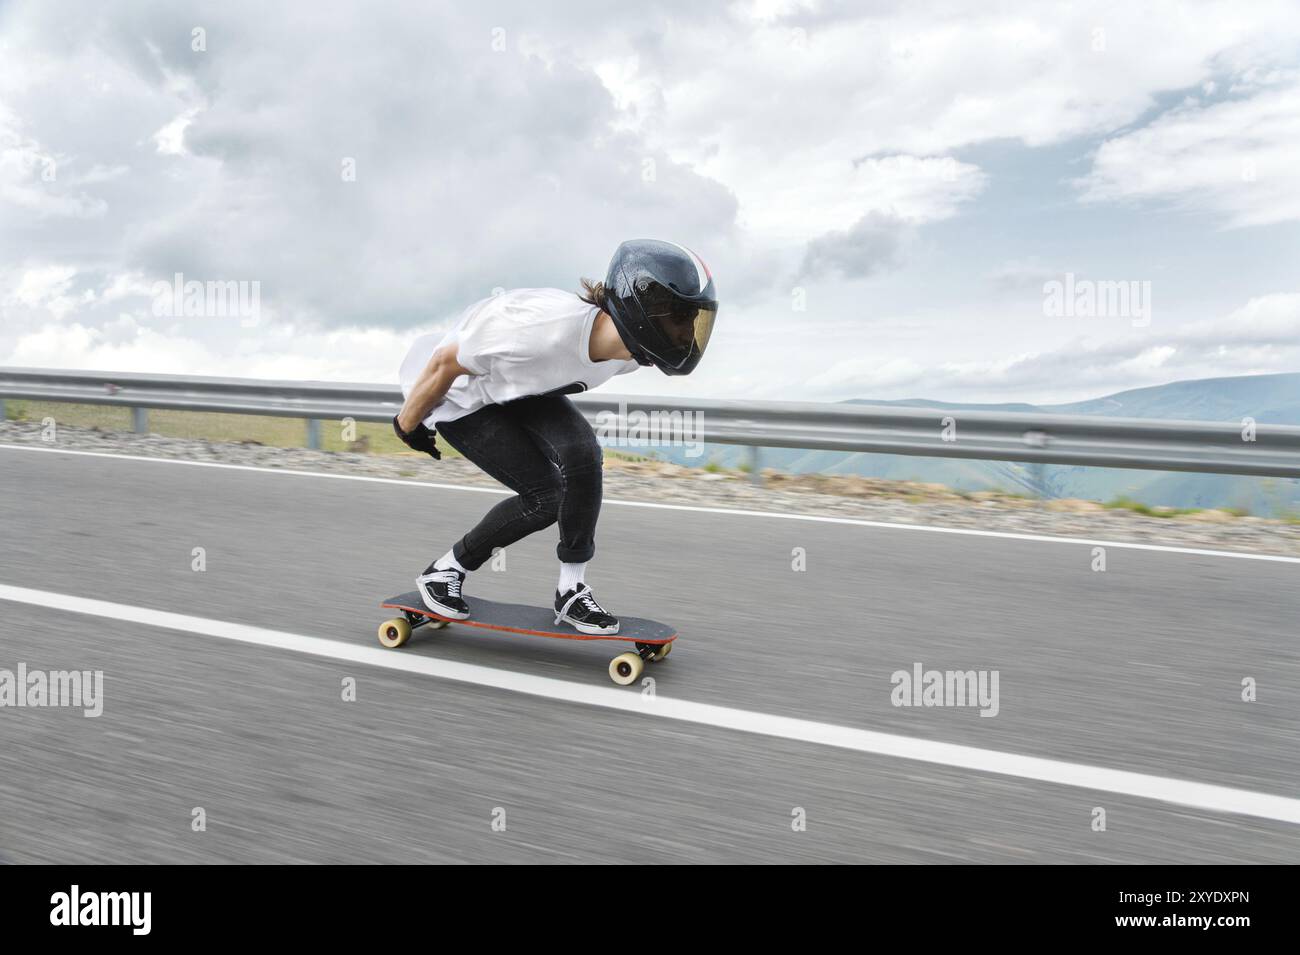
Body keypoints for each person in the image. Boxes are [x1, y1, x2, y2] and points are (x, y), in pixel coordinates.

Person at [393, 239, 717, 634]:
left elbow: (546, 377)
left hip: (516, 388)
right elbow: (444, 362)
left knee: (582, 454)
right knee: (546, 497)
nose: (687, 334)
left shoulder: (628, 358)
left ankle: (571, 591)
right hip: (460, 395)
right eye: (681, 318)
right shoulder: (538, 330)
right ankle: (444, 572)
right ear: (644, 310)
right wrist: (408, 424)